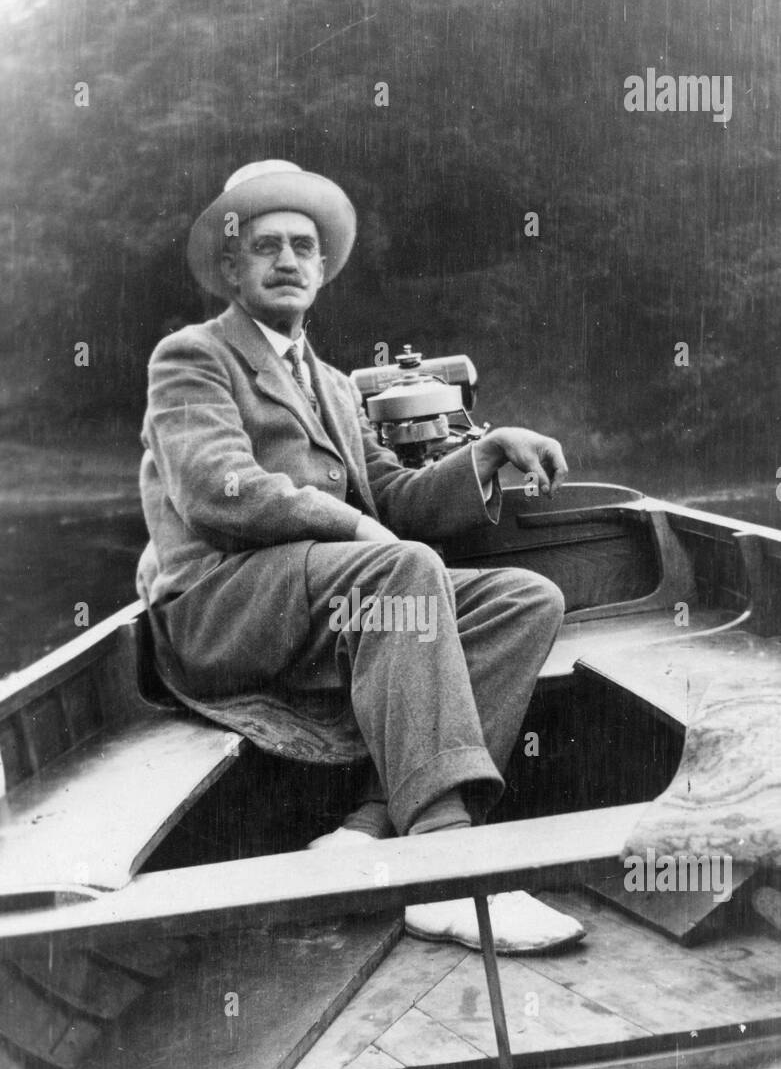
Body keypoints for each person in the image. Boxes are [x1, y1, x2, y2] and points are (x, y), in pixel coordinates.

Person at [136, 159, 585, 954]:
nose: (286, 260)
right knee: (400, 569)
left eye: (302, 247)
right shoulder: (192, 356)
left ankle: (371, 828)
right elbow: (217, 486)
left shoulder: (336, 386)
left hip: (320, 597)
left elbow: (395, 497)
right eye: (265, 245)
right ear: (231, 269)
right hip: (219, 607)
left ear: (320, 269)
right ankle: (445, 866)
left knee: (522, 599)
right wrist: (354, 532)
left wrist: (484, 458)